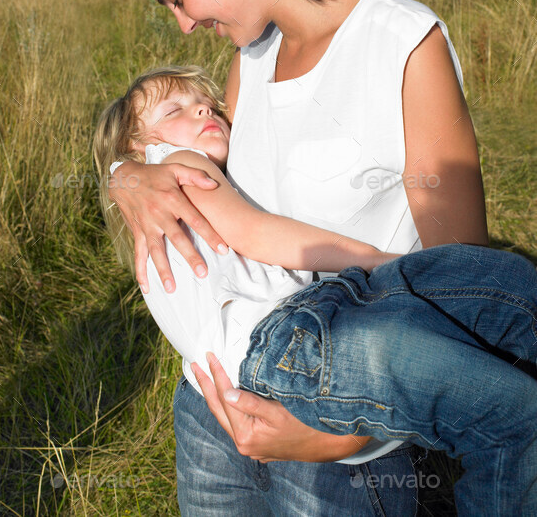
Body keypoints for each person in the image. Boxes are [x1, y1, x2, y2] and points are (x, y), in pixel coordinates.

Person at [110, 0, 490, 515]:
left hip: (342, 441)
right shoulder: (249, 57)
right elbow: (199, 178)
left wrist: (338, 440)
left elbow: (459, 286)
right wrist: (127, 174)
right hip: (212, 411)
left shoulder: (400, 43)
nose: (184, 23)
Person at [94, 65, 537, 516]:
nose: (204, 108)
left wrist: (120, 170)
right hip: (288, 340)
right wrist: (375, 259)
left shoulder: (142, 193)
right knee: (504, 330)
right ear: (139, 145)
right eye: (176, 109)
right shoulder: (178, 164)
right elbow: (255, 232)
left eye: (205, 103)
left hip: (225, 377)